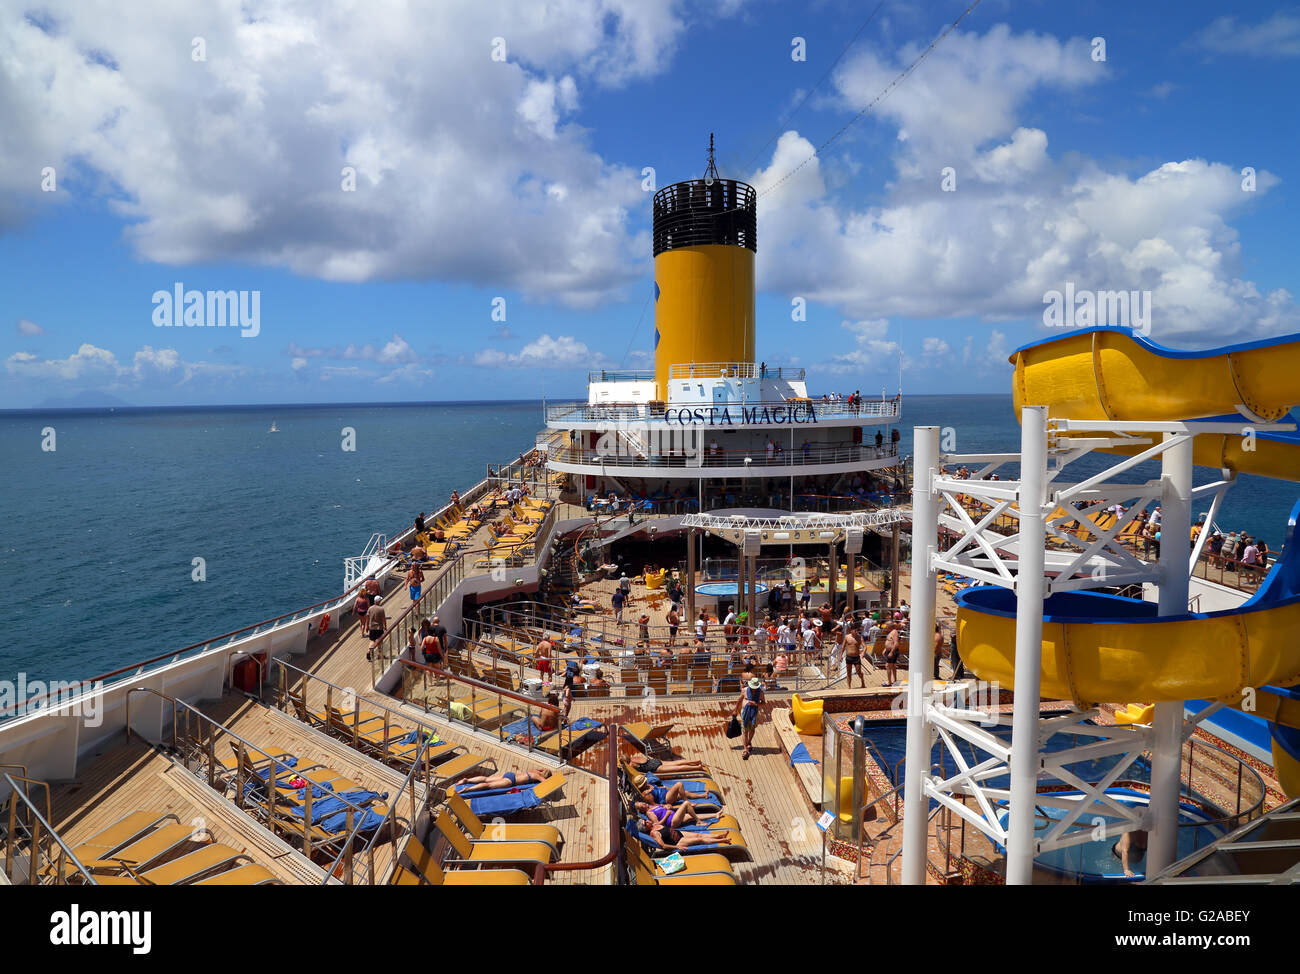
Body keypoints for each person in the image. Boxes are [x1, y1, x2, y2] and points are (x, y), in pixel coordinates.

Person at [733, 669, 765, 760]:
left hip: (754, 712)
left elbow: (763, 703)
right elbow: (739, 700)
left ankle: (748, 743)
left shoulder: (761, 693)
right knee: (744, 730)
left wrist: (755, 704)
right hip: (745, 712)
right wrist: (735, 710)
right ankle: (745, 748)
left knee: (752, 729)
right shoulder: (744, 690)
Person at [458, 768, 553, 793]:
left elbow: (543, 769)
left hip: (510, 774)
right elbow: (546, 783)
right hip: (511, 781)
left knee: (487, 779)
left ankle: (467, 780)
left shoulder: (534, 771)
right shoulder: (537, 776)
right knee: (488, 786)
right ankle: (468, 789)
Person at [629, 753, 711, 776]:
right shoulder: (634, 757)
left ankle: (698, 768)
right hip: (653, 761)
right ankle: (696, 761)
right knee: (677, 762)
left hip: (653, 767)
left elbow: (631, 772)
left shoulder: (631, 764)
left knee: (677, 768)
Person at [843, 625, 865, 689]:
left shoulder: (859, 637)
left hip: (856, 657)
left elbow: (865, 646)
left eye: (856, 630)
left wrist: (863, 652)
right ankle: (849, 686)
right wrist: (841, 655)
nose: (856, 631)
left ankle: (862, 681)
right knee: (848, 672)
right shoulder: (847, 637)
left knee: (858, 672)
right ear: (851, 631)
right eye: (854, 630)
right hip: (849, 657)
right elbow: (843, 646)